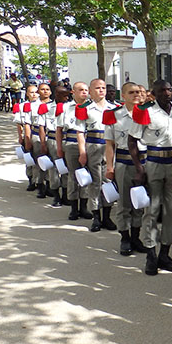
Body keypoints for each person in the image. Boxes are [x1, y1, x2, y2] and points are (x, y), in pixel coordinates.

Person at [128, 79, 172, 276]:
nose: (167, 93)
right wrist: (139, 168)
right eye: (162, 90)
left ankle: (165, 252)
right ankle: (150, 254)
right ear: (153, 93)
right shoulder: (145, 111)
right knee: (152, 211)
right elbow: (132, 140)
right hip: (153, 162)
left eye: (169, 89)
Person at [104, 83, 147, 256]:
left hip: (144, 161)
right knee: (124, 203)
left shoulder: (147, 114)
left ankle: (136, 237)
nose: (136, 95)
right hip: (123, 162)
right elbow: (109, 144)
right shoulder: (113, 115)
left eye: (138, 92)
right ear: (124, 94)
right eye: (131, 92)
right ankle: (125, 238)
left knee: (140, 202)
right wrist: (110, 166)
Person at [74, 79, 118, 232]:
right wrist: (82, 152)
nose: (101, 90)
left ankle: (107, 215)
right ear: (91, 91)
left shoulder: (115, 108)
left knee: (108, 181)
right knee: (95, 182)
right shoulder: (84, 108)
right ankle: (96, 217)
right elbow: (80, 132)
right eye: (97, 88)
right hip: (93, 145)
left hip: (110, 146)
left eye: (103, 88)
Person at [58, 82, 92, 220]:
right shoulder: (66, 108)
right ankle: (73, 207)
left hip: (88, 143)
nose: (84, 92)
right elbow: (59, 129)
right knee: (73, 175)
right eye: (80, 90)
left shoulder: (92, 107)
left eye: (86, 90)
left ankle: (84, 206)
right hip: (71, 144)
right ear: (73, 92)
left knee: (85, 175)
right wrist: (59, 148)